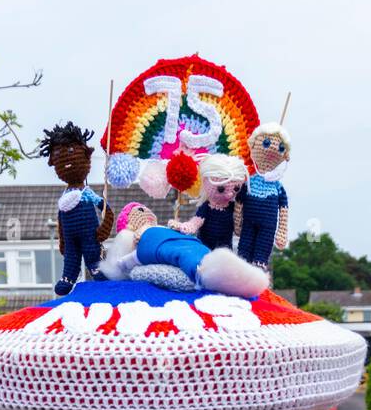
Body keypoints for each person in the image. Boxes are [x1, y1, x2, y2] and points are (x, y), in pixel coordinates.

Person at [99, 202, 267, 299]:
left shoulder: (146, 242)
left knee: (189, 254)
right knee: (187, 254)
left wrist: (123, 265)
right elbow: (126, 263)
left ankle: (211, 271)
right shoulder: (145, 240)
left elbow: (124, 263)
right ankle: (209, 271)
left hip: (176, 245)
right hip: (175, 246)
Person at [37, 122, 114, 295]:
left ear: (86, 156)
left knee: (92, 254)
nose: (66, 162)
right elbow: (60, 220)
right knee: (71, 258)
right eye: (59, 155)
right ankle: (68, 277)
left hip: (89, 235)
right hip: (70, 238)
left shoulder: (87, 193)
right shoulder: (64, 197)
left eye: (72, 152)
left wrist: (104, 229)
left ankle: (95, 269)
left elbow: (104, 208)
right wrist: (63, 240)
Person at [234, 123, 290, 270]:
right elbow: (239, 202)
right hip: (248, 224)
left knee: (261, 255)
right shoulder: (249, 182)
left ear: (285, 155)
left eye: (280, 148)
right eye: (266, 143)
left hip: (268, 227)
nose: (272, 149)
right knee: (244, 251)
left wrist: (282, 232)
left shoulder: (278, 187)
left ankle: (257, 273)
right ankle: (241, 272)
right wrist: (237, 223)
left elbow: (284, 210)